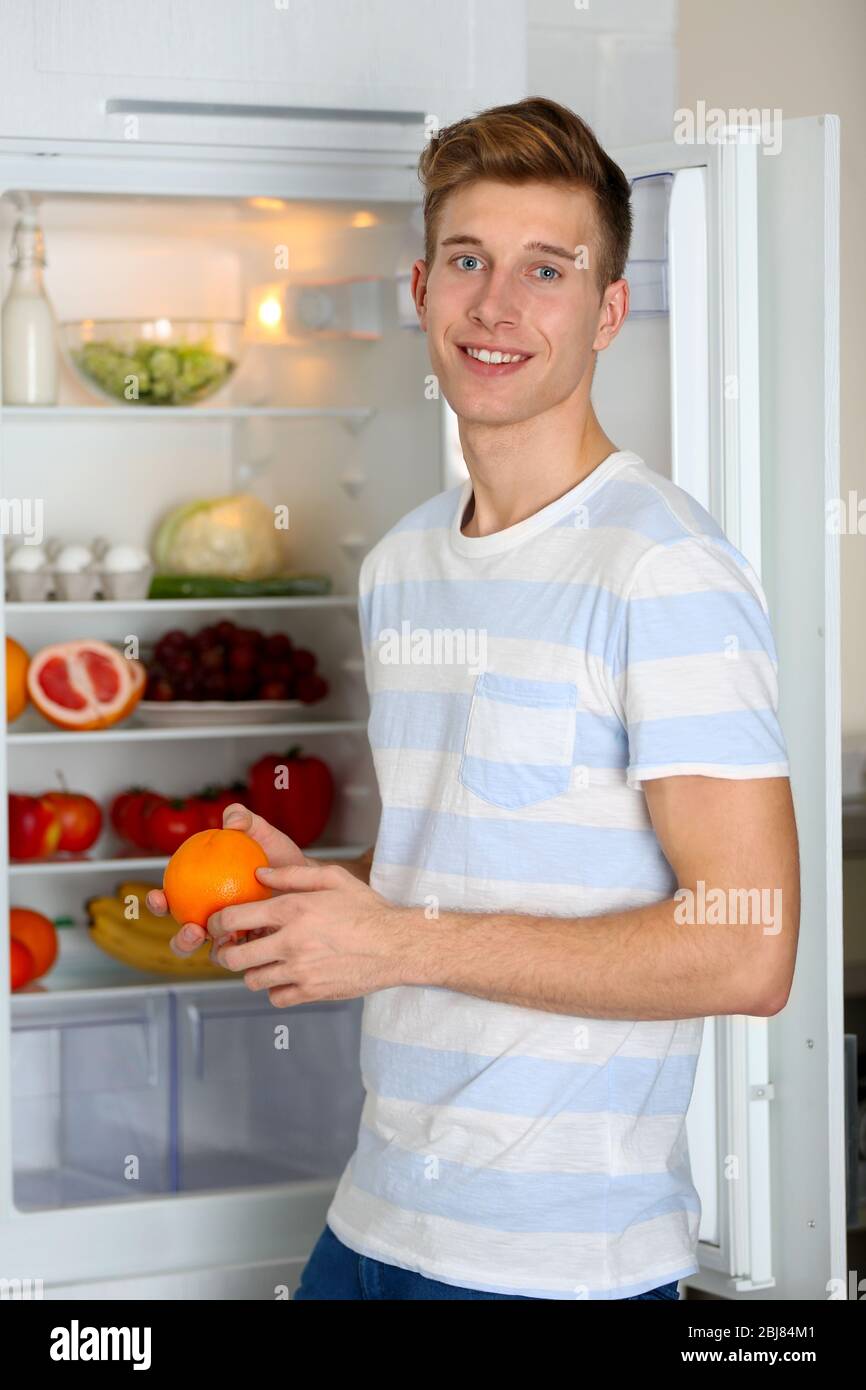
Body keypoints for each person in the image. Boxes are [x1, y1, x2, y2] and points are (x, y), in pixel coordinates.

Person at [148, 96, 799, 1301]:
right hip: (378, 1210)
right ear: (419, 289)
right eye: (467, 260)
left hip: (552, 1263)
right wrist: (308, 905)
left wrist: (391, 938)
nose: (495, 305)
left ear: (606, 311)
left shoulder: (661, 569)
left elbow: (748, 947)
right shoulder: (402, 563)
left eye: (544, 270)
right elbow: (446, 868)